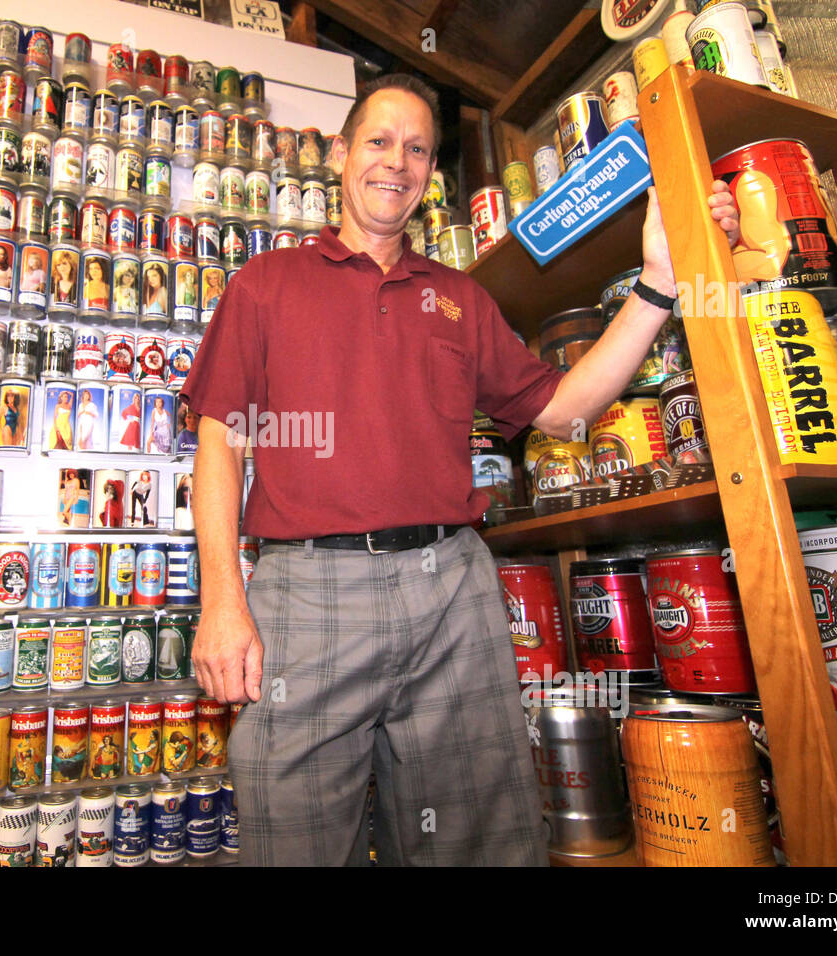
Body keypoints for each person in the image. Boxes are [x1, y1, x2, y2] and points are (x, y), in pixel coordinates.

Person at [180, 74, 741, 867]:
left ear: (430, 174)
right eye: (378, 141)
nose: (396, 163)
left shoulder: (461, 300)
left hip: (454, 593)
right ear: (340, 155)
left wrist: (659, 286)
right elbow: (219, 444)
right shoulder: (264, 285)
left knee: (481, 843)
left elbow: (564, 414)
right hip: (304, 598)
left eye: (417, 150)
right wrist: (223, 603)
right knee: (291, 840)